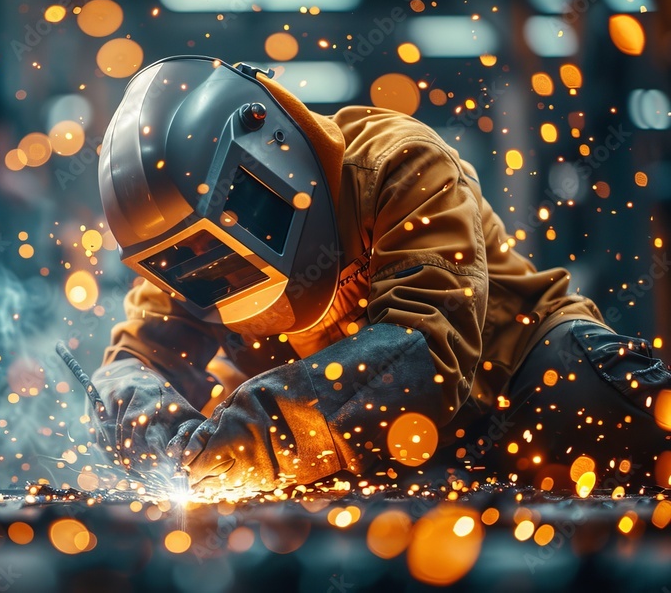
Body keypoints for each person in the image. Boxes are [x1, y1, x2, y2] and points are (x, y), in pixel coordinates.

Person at [91, 56, 671, 496]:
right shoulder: (187, 260)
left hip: (508, 384)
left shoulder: (399, 164)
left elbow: (424, 349)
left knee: (595, 397)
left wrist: (256, 435)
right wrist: (140, 415)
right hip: (364, 438)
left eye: (229, 244)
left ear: (272, 149)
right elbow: (137, 359)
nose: (225, 275)